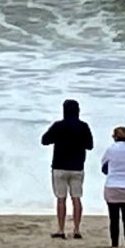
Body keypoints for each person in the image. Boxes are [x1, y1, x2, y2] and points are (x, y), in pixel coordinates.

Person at [41, 99, 94, 239]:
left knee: (61, 199)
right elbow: (90, 146)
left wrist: (58, 138)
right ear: (78, 111)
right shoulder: (83, 126)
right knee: (76, 198)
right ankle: (76, 229)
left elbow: (44, 140)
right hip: (77, 166)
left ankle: (61, 229)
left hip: (59, 166)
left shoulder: (58, 126)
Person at [101, 126, 125, 248]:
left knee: (114, 218)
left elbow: (104, 167)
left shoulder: (110, 150)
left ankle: (114, 243)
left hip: (112, 185)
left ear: (115, 137)